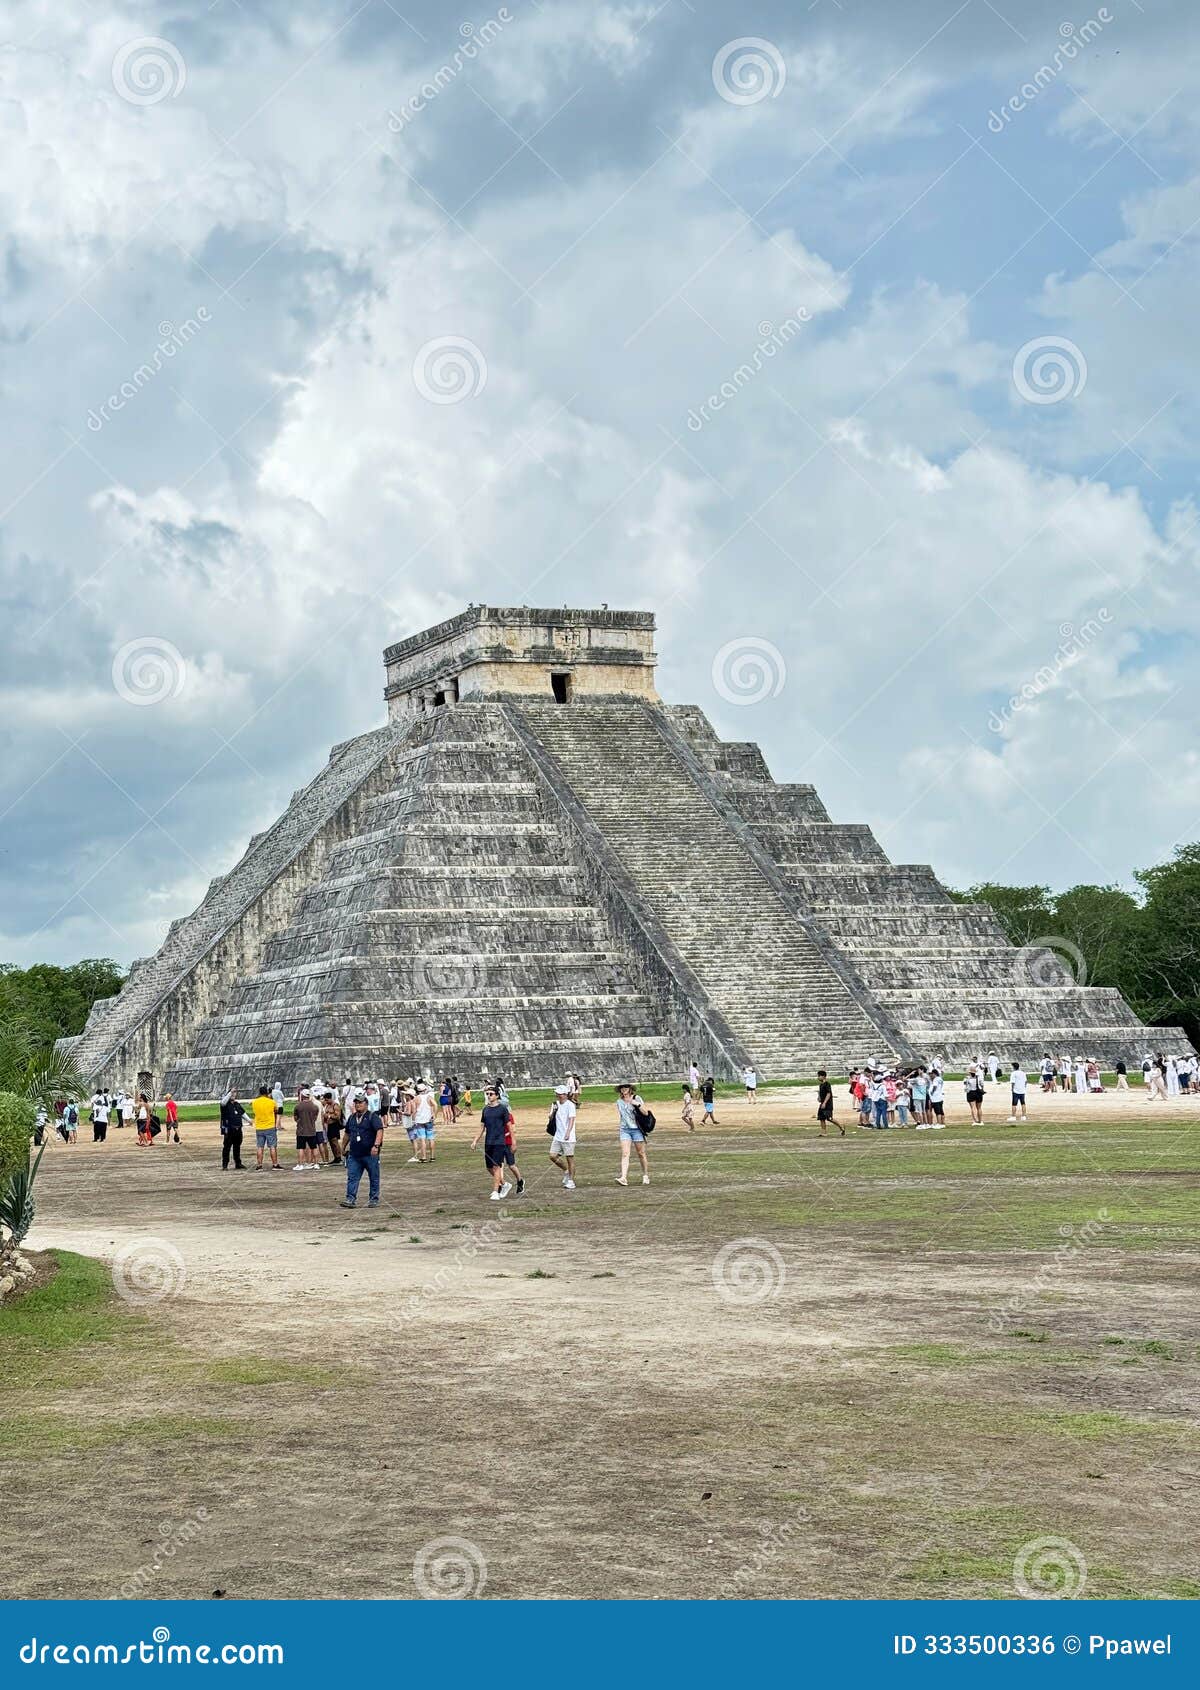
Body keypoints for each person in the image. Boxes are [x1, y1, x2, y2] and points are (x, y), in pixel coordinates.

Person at [338, 1091, 384, 1208]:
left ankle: (374, 1199)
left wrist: (376, 1145)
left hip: (370, 1153)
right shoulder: (352, 1118)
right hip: (354, 1154)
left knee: (374, 1176)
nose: (358, 1105)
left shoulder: (372, 1117)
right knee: (352, 1177)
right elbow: (347, 1134)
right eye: (356, 1102)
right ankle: (350, 1199)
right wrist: (343, 1147)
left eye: (360, 1102)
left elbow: (379, 1130)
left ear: (366, 1104)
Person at [471, 1086, 514, 1200]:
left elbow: (509, 1126)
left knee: (496, 1166)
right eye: (487, 1094)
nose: (489, 1096)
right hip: (488, 1141)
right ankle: (504, 1184)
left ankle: (495, 1191)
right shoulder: (485, 1109)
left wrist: (513, 1141)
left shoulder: (503, 1109)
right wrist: (475, 1140)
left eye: (491, 1094)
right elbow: (482, 1127)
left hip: (499, 1142)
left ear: (497, 1095)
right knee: (489, 1167)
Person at [615, 1082, 650, 1186]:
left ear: (630, 1089)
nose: (624, 1089)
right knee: (625, 1153)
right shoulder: (619, 1102)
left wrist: (636, 1104)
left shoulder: (637, 1098)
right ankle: (623, 1177)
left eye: (626, 1087)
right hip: (625, 1130)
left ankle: (645, 1175)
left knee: (641, 1154)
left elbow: (646, 1113)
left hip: (637, 1130)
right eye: (622, 1087)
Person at [549, 1083, 578, 1187]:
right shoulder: (555, 1104)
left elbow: (571, 1120)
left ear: (566, 1094)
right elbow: (551, 1118)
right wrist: (552, 1113)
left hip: (568, 1137)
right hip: (558, 1135)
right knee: (552, 1156)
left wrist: (568, 1133)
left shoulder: (570, 1105)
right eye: (558, 1094)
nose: (559, 1096)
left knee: (569, 1158)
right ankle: (566, 1170)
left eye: (561, 1094)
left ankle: (571, 1181)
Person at [252, 1085, 281, 1170]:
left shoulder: (255, 1102)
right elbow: (276, 1110)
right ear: (267, 1093)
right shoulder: (271, 1102)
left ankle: (259, 1165)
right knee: (272, 1146)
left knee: (260, 1147)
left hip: (259, 1127)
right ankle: (275, 1164)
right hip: (270, 1126)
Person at [293, 1086, 321, 1171]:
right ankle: (316, 1164)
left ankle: (300, 1164)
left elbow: (295, 1118)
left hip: (301, 1130)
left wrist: (300, 1121)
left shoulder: (298, 1106)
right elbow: (315, 1118)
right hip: (311, 1130)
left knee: (301, 1147)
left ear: (302, 1096)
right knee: (314, 1147)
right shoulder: (315, 1106)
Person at [220, 1090, 247, 1169]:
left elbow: (242, 1113)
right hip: (229, 1129)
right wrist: (230, 1093)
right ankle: (225, 1164)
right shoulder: (224, 1104)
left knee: (237, 1146)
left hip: (238, 1129)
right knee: (227, 1147)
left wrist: (249, 1120)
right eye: (231, 1094)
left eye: (234, 1094)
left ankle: (238, 1163)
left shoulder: (237, 1104)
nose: (233, 1095)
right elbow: (223, 1102)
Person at [411, 1082, 436, 1163]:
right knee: (431, 1138)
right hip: (429, 1120)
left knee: (422, 1139)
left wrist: (413, 1119)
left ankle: (424, 1157)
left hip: (419, 1120)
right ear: (425, 1090)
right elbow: (435, 1105)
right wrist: (434, 1114)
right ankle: (432, 1156)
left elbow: (414, 1110)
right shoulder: (429, 1097)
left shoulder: (416, 1098)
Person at [321, 1089, 344, 1163]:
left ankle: (339, 1157)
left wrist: (328, 1116)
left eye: (327, 1100)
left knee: (335, 1142)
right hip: (329, 1126)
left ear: (330, 1098)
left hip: (334, 1125)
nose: (326, 1101)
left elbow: (338, 1116)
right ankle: (336, 1157)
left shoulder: (335, 1105)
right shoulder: (327, 1105)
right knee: (331, 1142)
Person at [816, 1069, 840, 1136]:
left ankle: (841, 1128)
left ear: (823, 1076)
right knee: (821, 1118)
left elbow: (828, 1094)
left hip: (828, 1104)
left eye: (819, 1076)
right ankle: (824, 1132)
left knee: (829, 1118)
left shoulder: (827, 1084)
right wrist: (818, 1096)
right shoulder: (821, 1085)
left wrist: (824, 1103)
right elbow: (820, 1097)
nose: (818, 1077)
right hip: (822, 1104)